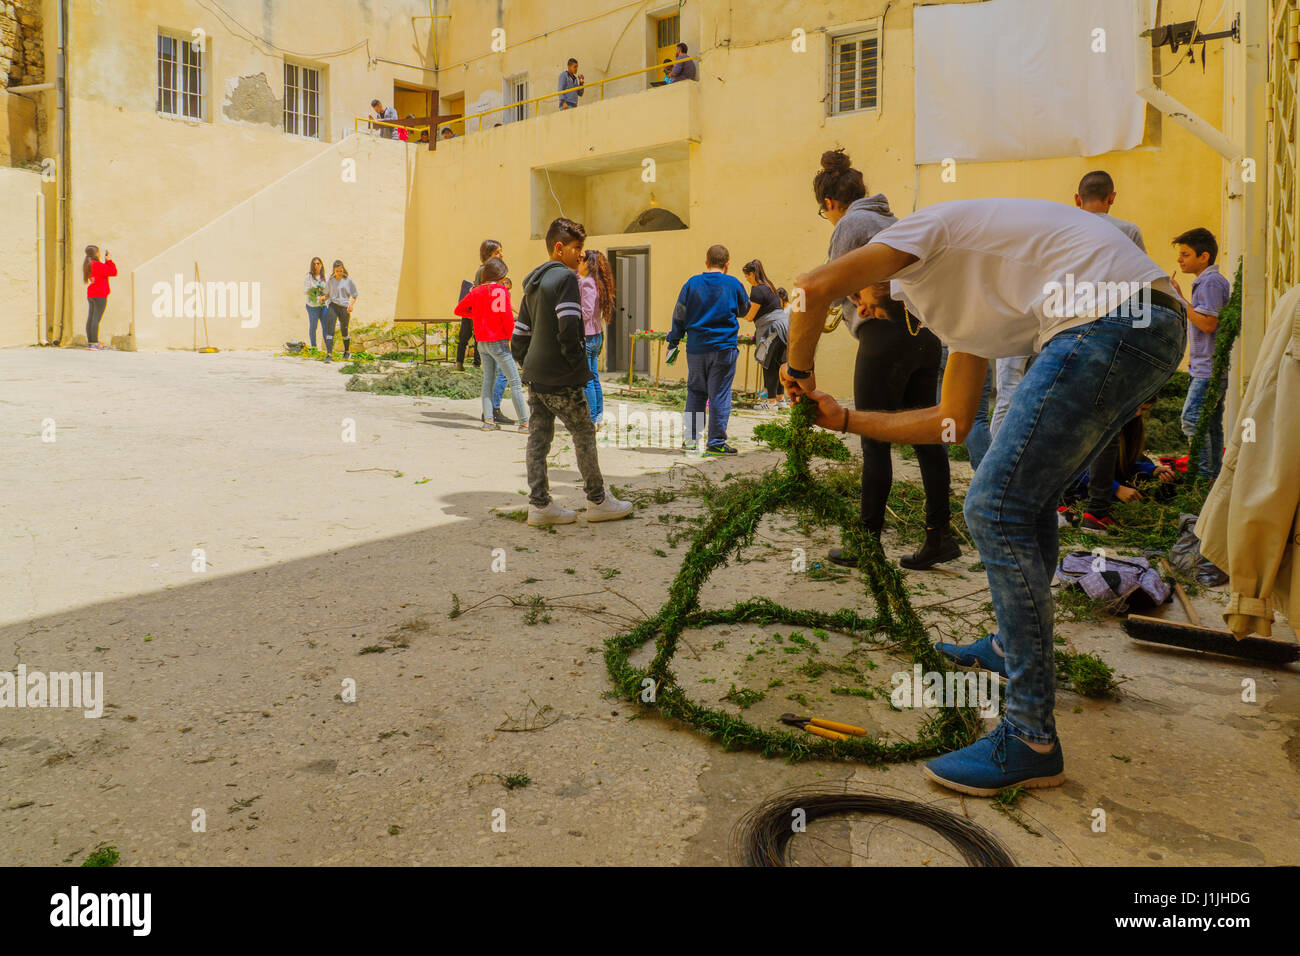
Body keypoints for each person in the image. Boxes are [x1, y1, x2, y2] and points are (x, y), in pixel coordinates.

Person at [783, 196, 1186, 795]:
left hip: (1112, 319)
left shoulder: (922, 231)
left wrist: (799, 373)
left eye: (857, 296)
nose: (856, 306)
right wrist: (845, 420)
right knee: (1026, 495)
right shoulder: (953, 302)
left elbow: (807, 288)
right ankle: (1005, 647)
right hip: (1141, 323)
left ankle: (1030, 739)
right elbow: (950, 421)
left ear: (869, 267)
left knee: (993, 506)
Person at [812, 149, 958, 570]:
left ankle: (867, 542)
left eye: (824, 213)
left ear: (830, 204)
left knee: (874, 440)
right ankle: (939, 536)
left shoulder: (852, 223)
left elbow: (833, 285)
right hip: (923, 335)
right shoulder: (896, 222)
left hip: (884, 337)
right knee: (929, 438)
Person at [511, 217, 632, 526]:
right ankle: (597, 500)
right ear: (560, 247)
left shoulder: (533, 282)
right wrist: (579, 370)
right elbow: (568, 329)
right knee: (584, 433)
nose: (582, 254)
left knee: (538, 439)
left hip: (536, 375)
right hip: (560, 376)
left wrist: (528, 363)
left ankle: (539, 505)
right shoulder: (565, 278)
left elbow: (520, 334)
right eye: (578, 248)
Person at [1073, 170, 1149, 532]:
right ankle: (1096, 510)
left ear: (1077, 199)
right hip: (1113, 333)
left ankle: (1055, 505)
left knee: (1064, 423)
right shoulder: (1128, 231)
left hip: (1068, 332)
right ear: (1112, 197)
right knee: (1104, 426)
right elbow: (1142, 286)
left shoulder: (1063, 227)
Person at [667, 244, 749, 456]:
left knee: (695, 391)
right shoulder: (733, 283)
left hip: (695, 348)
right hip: (724, 347)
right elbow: (745, 309)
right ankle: (716, 442)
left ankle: (692, 440)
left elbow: (679, 314)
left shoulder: (692, 283)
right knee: (720, 394)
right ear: (727, 264)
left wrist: (673, 341)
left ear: (706, 262)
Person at [1172, 226, 1231, 482]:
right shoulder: (1207, 282)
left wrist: (1180, 301)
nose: (1180, 260)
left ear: (1204, 256)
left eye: (1185, 254)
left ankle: (1203, 480)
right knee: (1210, 425)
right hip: (1206, 367)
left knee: (1192, 419)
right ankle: (1212, 481)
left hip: (1208, 371)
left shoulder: (1210, 282)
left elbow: (1208, 324)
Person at [455, 257, 528, 433]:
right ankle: (525, 423)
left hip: (482, 343)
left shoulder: (476, 291)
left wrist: (478, 316)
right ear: (501, 275)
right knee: (515, 382)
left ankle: (488, 421)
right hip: (499, 343)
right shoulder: (502, 291)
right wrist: (514, 340)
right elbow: (507, 317)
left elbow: (459, 310)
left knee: (488, 381)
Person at [741, 259, 788, 410]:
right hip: (784, 327)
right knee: (778, 363)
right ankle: (781, 400)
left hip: (772, 329)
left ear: (752, 274)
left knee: (767, 363)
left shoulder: (757, 290)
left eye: (747, 276)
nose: (746, 279)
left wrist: (736, 312)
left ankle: (771, 402)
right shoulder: (769, 286)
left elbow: (749, 316)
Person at [578, 249, 614, 425]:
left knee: (587, 380)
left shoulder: (589, 284)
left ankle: (592, 419)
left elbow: (586, 311)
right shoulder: (596, 282)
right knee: (594, 377)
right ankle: (598, 417)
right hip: (595, 335)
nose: (579, 264)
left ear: (588, 263)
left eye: (581, 260)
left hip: (588, 336)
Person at [458, 240, 501, 373]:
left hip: (478, 311)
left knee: (477, 338)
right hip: (476, 311)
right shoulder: (483, 270)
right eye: (497, 252)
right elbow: (481, 293)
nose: (501, 255)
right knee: (468, 336)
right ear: (488, 254)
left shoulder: (491, 271)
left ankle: (477, 364)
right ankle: (462, 363)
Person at [323, 260, 357, 362]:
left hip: (344, 307)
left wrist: (351, 305)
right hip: (333, 306)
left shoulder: (348, 281)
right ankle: (329, 354)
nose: (339, 272)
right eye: (337, 271)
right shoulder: (331, 281)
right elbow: (327, 294)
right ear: (334, 270)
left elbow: (354, 296)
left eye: (341, 270)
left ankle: (347, 351)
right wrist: (323, 297)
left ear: (343, 269)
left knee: (344, 330)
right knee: (330, 330)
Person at [83, 245, 116, 350]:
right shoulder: (97, 265)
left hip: (92, 294)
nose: (99, 254)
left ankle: (91, 342)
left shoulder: (89, 264)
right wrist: (109, 261)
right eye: (98, 252)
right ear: (95, 254)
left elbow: (104, 271)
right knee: (96, 319)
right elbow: (113, 272)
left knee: (91, 317)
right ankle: (95, 343)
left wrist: (106, 263)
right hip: (100, 294)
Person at [303, 257, 328, 349]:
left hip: (323, 305)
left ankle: (329, 349)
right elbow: (305, 291)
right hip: (312, 306)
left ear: (321, 264)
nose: (316, 265)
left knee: (326, 327)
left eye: (318, 263)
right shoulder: (309, 276)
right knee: (313, 327)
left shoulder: (325, 276)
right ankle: (314, 347)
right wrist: (315, 290)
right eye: (314, 264)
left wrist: (324, 295)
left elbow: (329, 291)